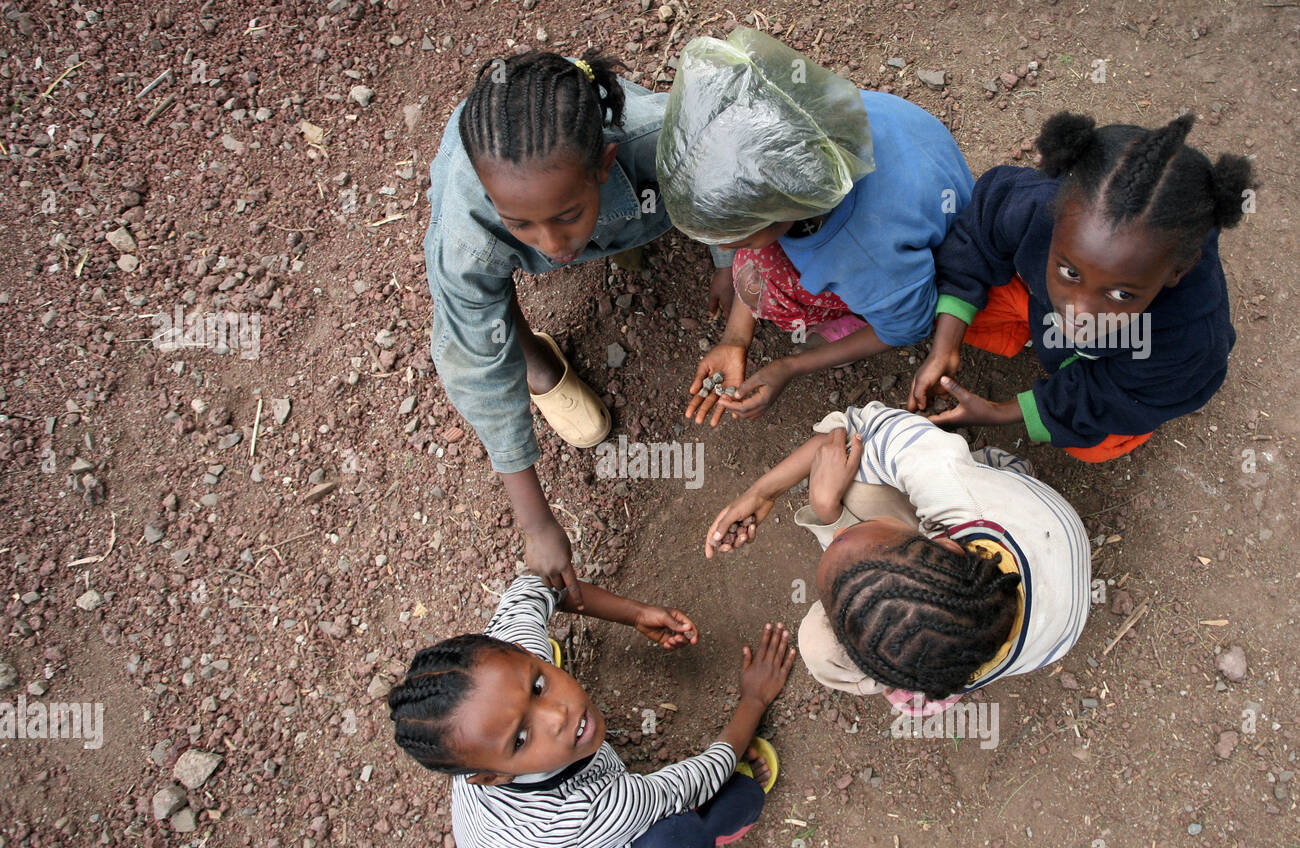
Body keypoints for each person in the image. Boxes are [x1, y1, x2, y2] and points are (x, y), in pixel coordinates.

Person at [425, 49, 734, 608]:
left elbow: (720, 191)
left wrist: (726, 262)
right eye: (520, 223)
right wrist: (536, 523)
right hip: (512, 195)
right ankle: (539, 362)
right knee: (487, 292)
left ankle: (626, 238)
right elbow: (475, 355)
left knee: (650, 210)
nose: (551, 245)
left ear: (605, 165)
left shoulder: (660, 139)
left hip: (624, 171)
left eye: (567, 215)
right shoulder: (469, 225)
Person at [388, 572, 794, 848]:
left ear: (517, 648)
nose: (558, 715)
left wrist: (636, 614)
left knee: (520, 688)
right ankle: (712, 828)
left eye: (537, 685)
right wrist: (753, 701)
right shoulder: (584, 816)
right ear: (492, 777)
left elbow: (544, 581)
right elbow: (691, 783)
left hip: (503, 847)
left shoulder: (507, 654)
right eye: (521, 738)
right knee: (683, 837)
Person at [656, 29, 973, 426]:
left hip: (921, 260)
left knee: (767, 282)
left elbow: (908, 326)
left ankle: (856, 315)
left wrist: (792, 365)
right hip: (917, 164)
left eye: (740, 238)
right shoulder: (805, 118)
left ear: (787, 203)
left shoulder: (863, 255)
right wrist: (735, 338)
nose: (732, 248)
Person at [908, 111, 1258, 461]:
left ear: (1177, 273)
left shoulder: (1190, 339)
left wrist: (1004, 411)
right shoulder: (1031, 208)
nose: (1081, 311)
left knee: (1094, 443)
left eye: (1121, 294)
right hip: (1039, 310)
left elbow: (1117, 396)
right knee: (945, 307)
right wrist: (944, 346)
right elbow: (976, 238)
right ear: (1055, 215)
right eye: (1070, 272)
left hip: (1132, 357)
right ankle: (1037, 333)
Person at [705, 402, 1090, 715]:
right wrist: (773, 494)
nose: (837, 532)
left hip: (1048, 610)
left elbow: (854, 433)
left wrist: (826, 508)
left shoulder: (955, 643)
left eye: (839, 533)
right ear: (947, 545)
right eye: (846, 530)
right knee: (857, 488)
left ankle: (912, 688)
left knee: (819, 648)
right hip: (1037, 536)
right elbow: (867, 429)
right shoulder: (958, 498)